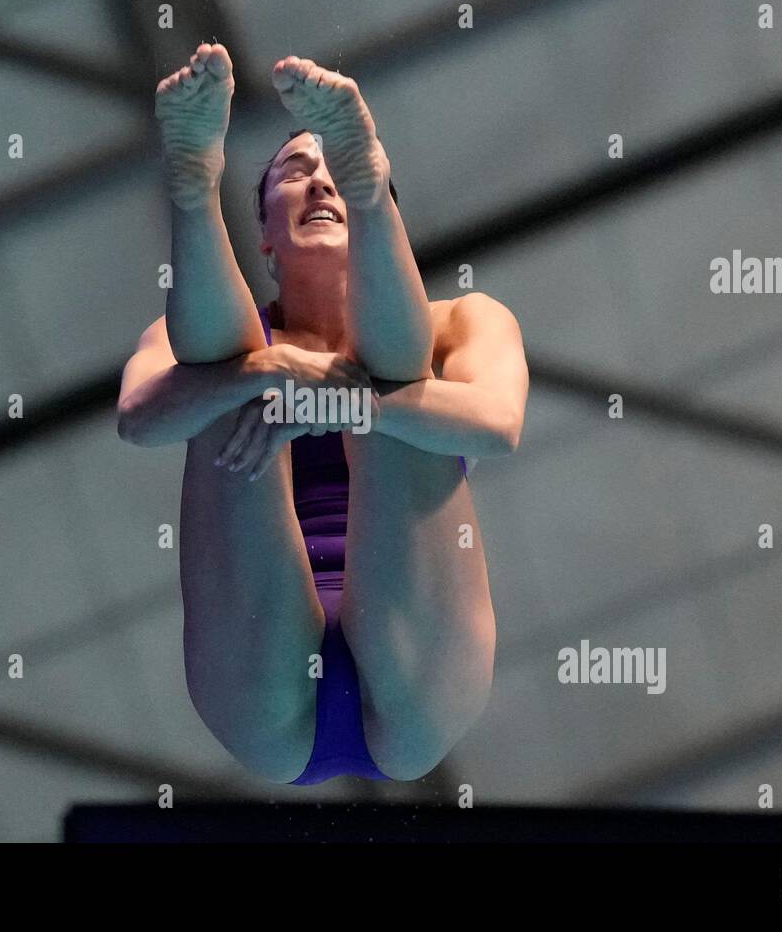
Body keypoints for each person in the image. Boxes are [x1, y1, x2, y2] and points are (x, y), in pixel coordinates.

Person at [118, 44, 528, 784]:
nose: (317, 184)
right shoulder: (201, 338)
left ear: (389, 224)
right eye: (294, 174)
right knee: (218, 373)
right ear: (265, 239)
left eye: (337, 172)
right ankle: (193, 193)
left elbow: (497, 425)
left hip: (418, 664)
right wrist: (272, 367)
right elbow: (141, 420)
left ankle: (352, 207)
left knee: (388, 369)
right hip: (261, 665)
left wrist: (349, 402)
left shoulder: (463, 320)